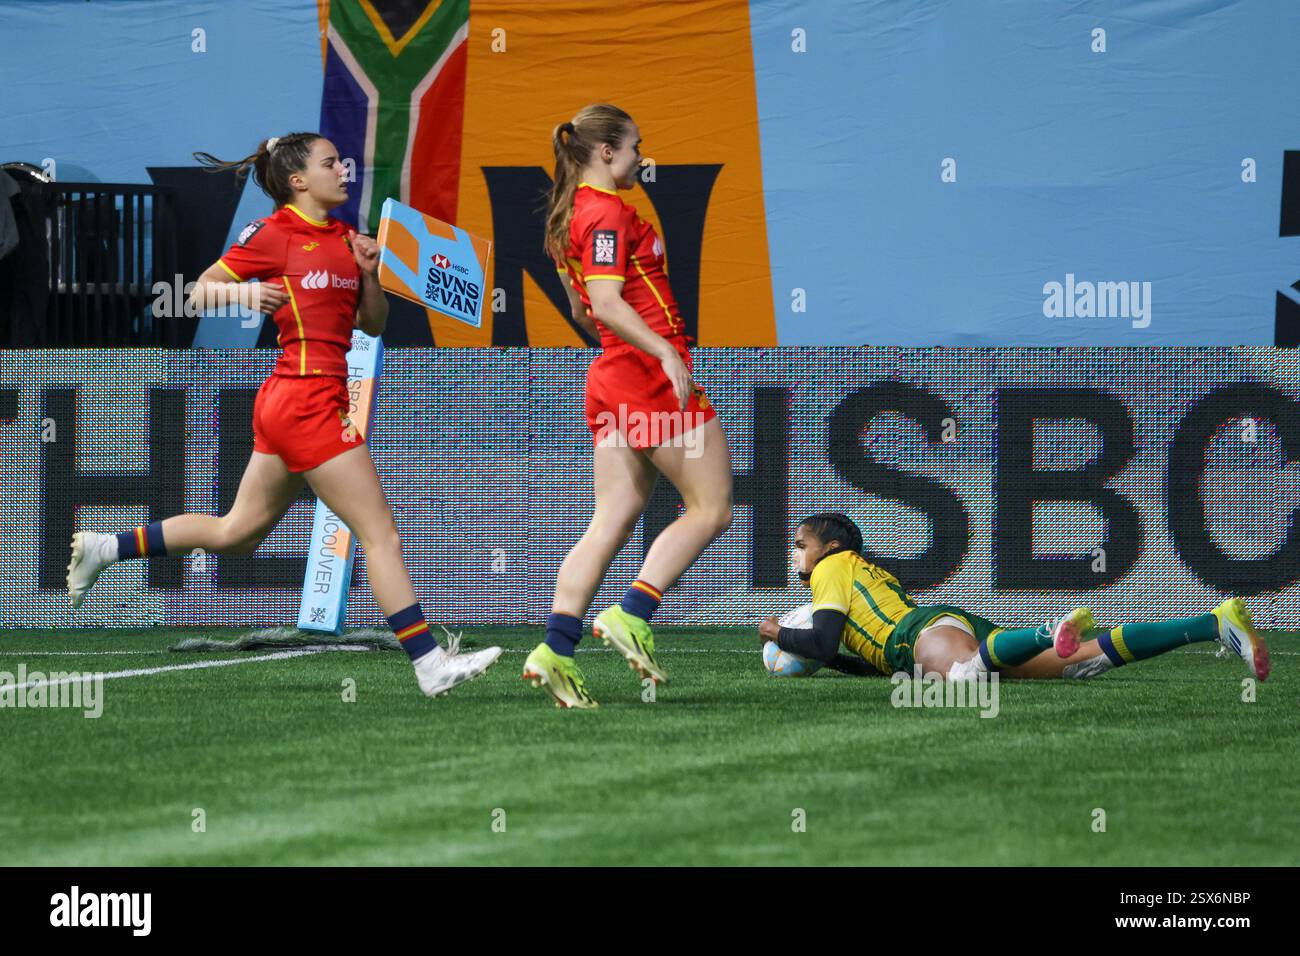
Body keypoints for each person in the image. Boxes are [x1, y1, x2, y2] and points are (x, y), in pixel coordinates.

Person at [65, 132, 501, 698]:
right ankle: (428, 663)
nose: (343, 169)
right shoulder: (274, 235)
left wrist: (370, 272)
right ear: (298, 182)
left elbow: (373, 325)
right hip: (304, 402)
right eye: (329, 164)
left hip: (294, 404)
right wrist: (247, 297)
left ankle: (106, 547)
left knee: (236, 534)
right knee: (381, 534)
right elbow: (198, 291)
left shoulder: (350, 239)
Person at [522, 104, 733, 708]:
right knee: (711, 506)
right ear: (607, 152)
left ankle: (554, 650)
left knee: (613, 517)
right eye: (636, 145)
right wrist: (665, 354)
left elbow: (583, 311)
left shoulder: (569, 218)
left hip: (612, 377)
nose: (644, 156)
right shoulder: (608, 212)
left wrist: (626, 347)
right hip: (643, 379)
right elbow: (608, 305)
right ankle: (633, 612)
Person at [760, 512, 1270, 683]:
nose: (797, 555)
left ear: (827, 547)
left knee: (963, 681)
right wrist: (831, 663)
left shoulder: (828, 569)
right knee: (1080, 664)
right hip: (939, 629)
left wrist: (777, 633)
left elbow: (823, 640)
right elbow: (863, 660)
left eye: (801, 545)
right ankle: (1213, 622)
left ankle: (1047, 630)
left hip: (920, 636)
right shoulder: (861, 572)